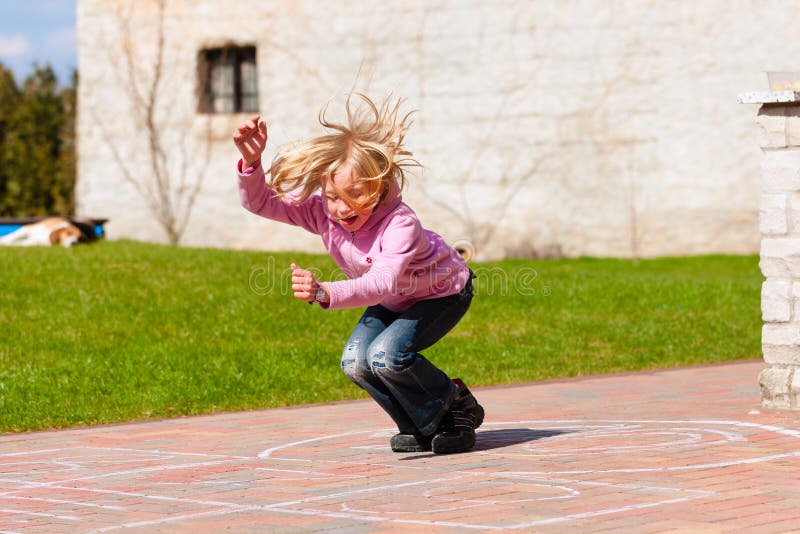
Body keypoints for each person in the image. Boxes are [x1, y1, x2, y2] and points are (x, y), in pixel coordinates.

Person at [233, 93, 484, 454]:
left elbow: (381, 282)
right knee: (355, 362)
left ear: (379, 186)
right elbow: (261, 203)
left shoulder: (400, 223)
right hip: (394, 300)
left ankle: (455, 404)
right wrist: (251, 162)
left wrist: (324, 292)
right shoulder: (322, 213)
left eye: (355, 194)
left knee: (385, 355)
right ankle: (421, 423)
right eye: (332, 196)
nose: (340, 208)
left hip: (442, 293)